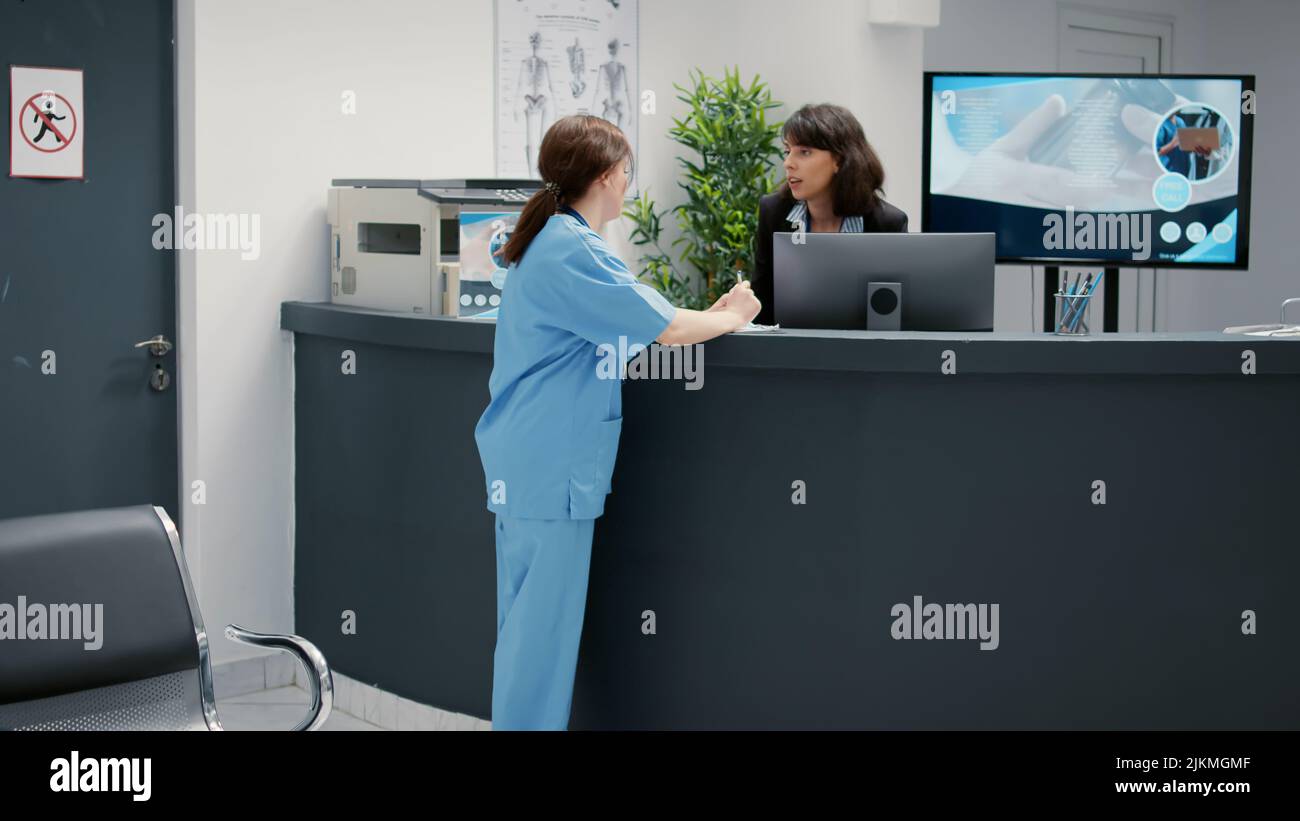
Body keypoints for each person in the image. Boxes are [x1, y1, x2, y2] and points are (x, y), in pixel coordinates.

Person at [474, 114, 760, 730]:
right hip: (551, 469)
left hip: (527, 464)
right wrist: (734, 315)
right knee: (540, 635)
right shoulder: (572, 248)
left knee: (525, 627)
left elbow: (626, 327)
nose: (629, 184)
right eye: (627, 171)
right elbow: (666, 329)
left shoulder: (552, 239)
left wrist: (700, 316)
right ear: (605, 175)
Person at [751, 103, 908, 325]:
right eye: (788, 151)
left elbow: (892, 313)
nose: (788, 163)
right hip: (787, 347)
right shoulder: (773, 212)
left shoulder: (887, 222)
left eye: (804, 152)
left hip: (859, 350)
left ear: (840, 160)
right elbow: (762, 301)